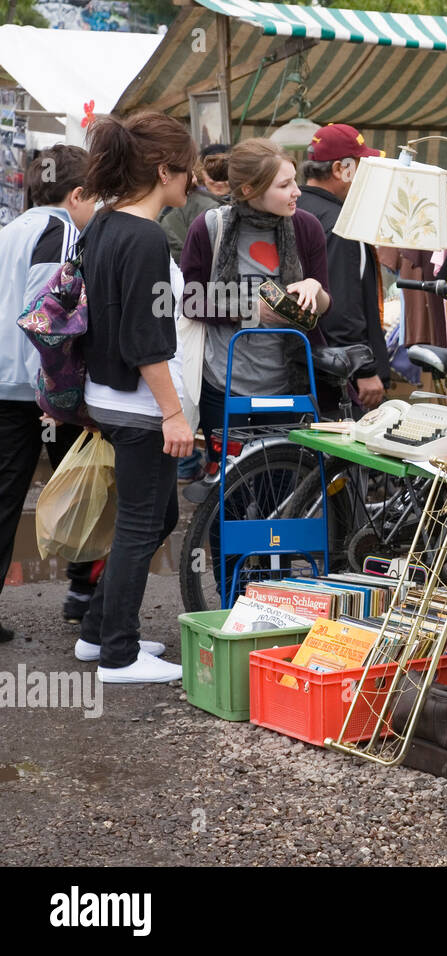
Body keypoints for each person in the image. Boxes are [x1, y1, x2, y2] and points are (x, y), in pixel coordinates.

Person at [77, 113, 199, 682]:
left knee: (155, 516)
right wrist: (174, 414)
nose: (192, 179)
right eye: (186, 168)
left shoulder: (104, 224)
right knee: (141, 522)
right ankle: (118, 655)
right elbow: (146, 339)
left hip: (107, 395)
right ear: (163, 169)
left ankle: (99, 632)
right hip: (142, 405)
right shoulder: (146, 236)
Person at [0, 146, 102, 635]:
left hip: (8, 382)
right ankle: (86, 593)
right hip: (29, 389)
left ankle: (84, 589)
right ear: (78, 194)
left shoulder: (14, 229)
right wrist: (59, 394)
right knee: (72, 490)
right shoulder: (60, 231)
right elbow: (51, 319)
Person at [180, 139, 331, 461]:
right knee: (228, 484)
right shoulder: (210, 226)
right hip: (222, 382)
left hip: (287, 383)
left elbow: (326, 306)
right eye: (285, 184)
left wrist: (313, 288)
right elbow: (190, 301)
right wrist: (252, 310)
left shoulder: (307, 228)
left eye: (295, 181)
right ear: (249, 189)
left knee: (279, 485)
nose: (297, 192)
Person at [298, 123, 389, 412]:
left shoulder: (295, 209)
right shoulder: (341, 223)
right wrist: (364, 369)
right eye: (361, 167)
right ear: (340, 169)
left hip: (305, 362)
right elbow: (343, 305)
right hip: (340, 374)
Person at [160, 144, 229, 261]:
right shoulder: (206, 206)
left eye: (223, 173)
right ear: (202, 172)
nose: (218, 181)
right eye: (212, 171)